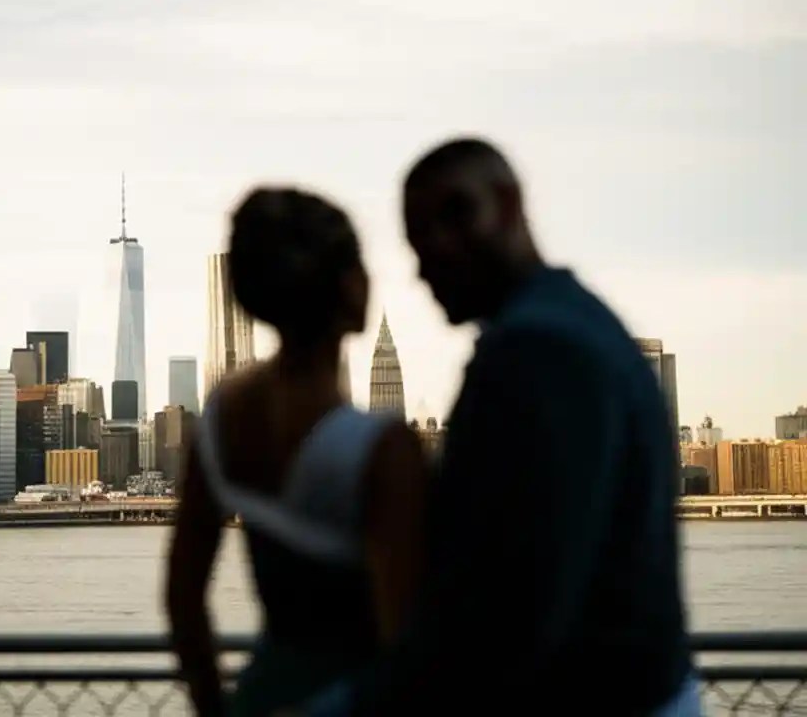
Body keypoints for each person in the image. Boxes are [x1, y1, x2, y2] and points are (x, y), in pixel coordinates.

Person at [354, 137, 696, 714]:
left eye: (456, 216)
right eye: (418, 238)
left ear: (510, 203)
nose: (434, 250)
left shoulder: (536, 351)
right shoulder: (582, 324)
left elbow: (517, 599)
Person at [166, 187, 426, 716]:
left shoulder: (221, 416)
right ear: (350, 290)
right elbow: (409, 643)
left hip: (260, 698)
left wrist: (216, 707)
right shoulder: (383, 449)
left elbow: (182, 598)